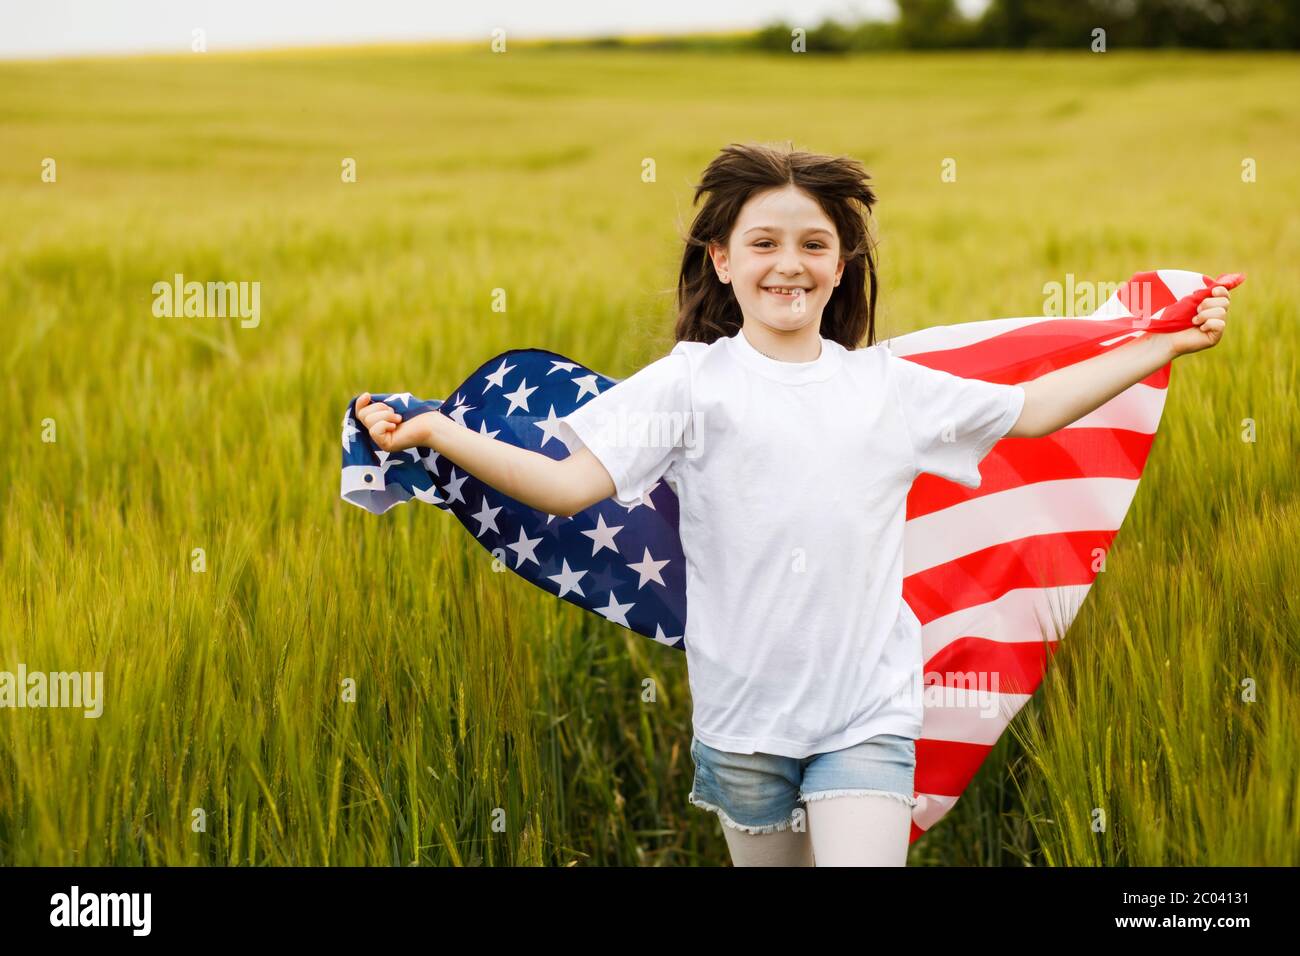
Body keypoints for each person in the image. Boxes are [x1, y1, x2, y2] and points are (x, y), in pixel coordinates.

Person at [350, 142, 1231, 866]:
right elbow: (568, 485)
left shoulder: (888, 387)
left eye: (813, 244)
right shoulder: (690, 385)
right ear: (722, 260)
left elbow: (1036, 410)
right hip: (743, 727)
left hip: (867, 714)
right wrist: (436, 433)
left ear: (840, 265)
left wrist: (1163, 342)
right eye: (763, 242)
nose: (789, 264)